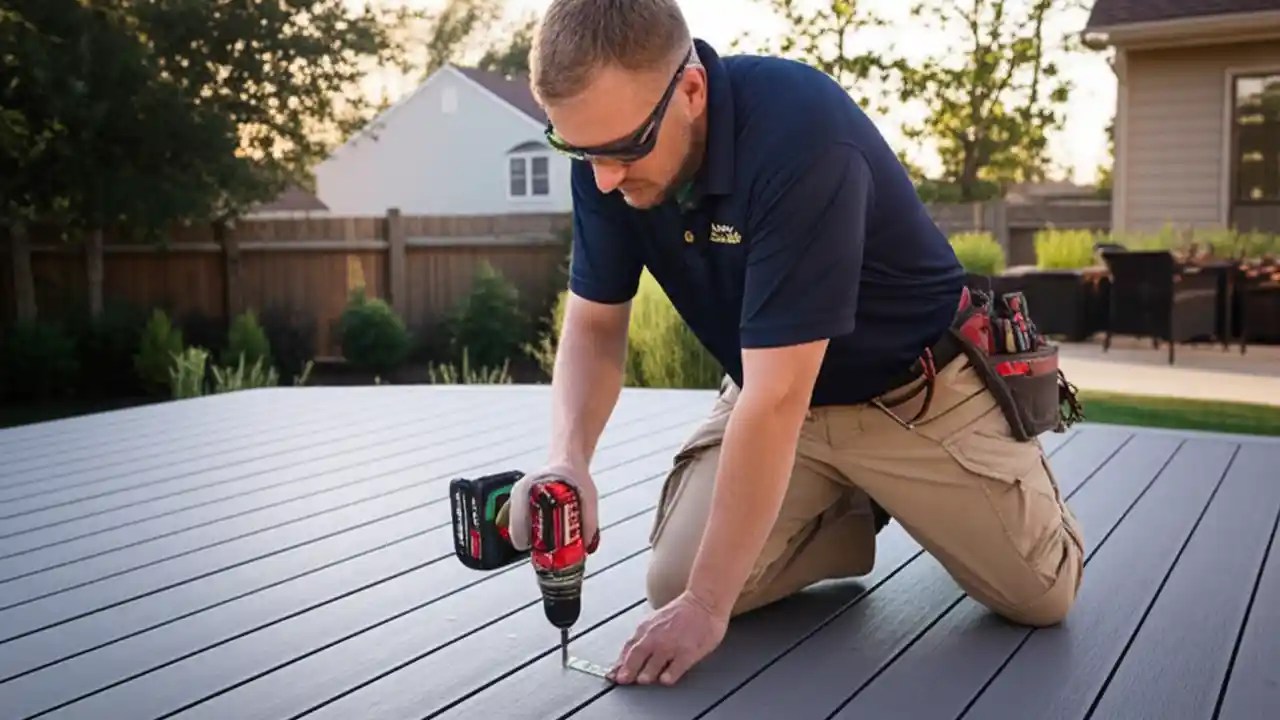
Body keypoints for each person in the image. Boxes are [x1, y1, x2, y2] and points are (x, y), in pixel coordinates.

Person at [504, 0, 1085, 688]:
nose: (603, 177)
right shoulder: (609, 146)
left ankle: (924, 486)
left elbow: (778, 398)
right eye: (579, 151)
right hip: (773, 393)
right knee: (674, 584)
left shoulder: (802, 137)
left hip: (915, 394)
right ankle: (848, 506)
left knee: (1041, 597)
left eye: (623, 149)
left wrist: (709, 609)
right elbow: (597, 324)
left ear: (691, 90)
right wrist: (569, 459)